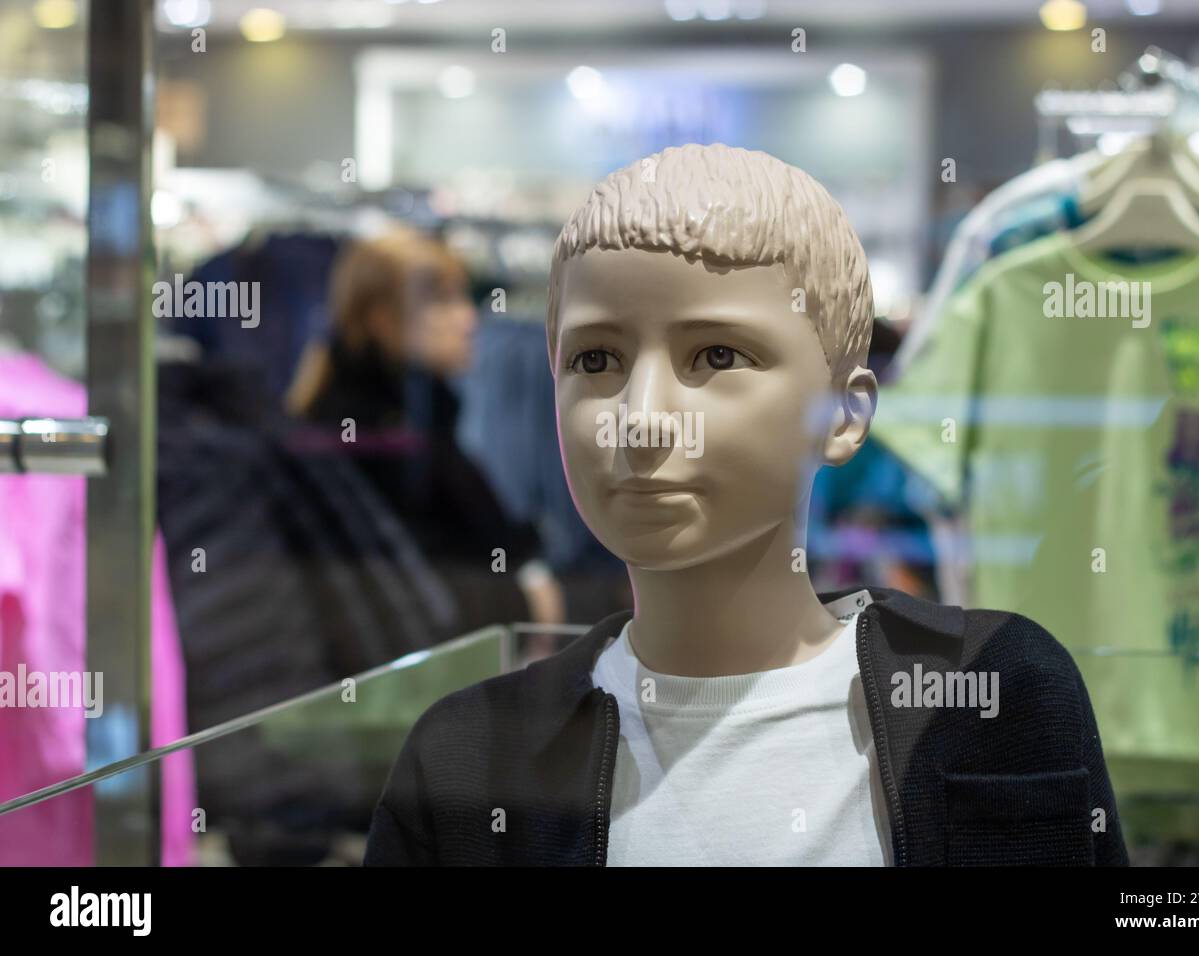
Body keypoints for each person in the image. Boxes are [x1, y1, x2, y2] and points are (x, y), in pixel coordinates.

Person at [363, 145, 1127, 866]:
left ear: (845, 415)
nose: (644, 416)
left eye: (718, 356)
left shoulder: (994, 696)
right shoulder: (464, 762)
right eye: (596, 359)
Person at [286, 229, 564, 635]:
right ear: (382, 318)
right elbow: (395, 594)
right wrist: (523, 603)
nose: (469, 319)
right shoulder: (361, 438)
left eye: (463, 298)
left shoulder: (422, 415)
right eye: (442, 301)